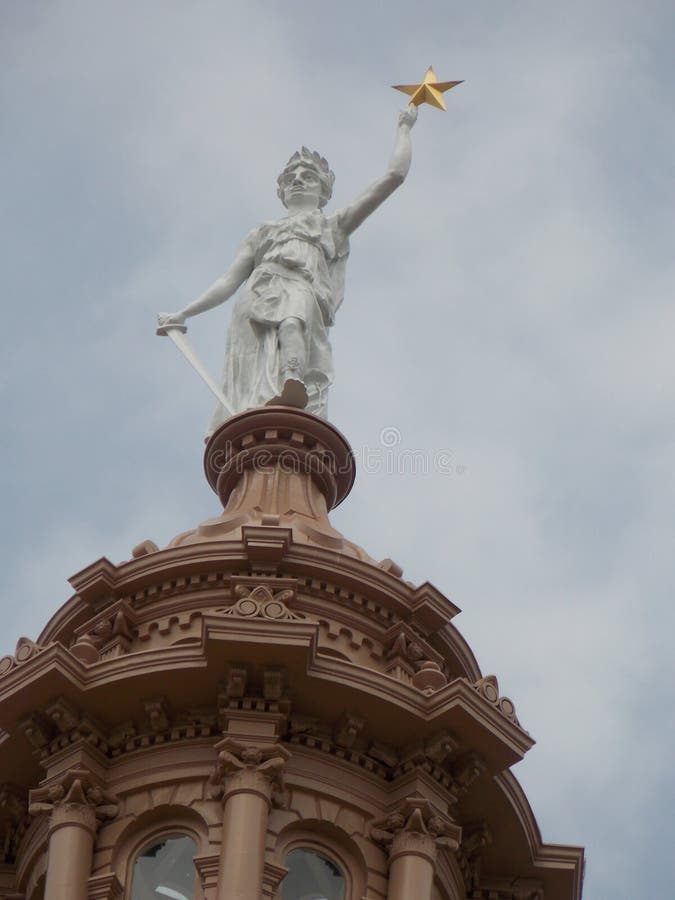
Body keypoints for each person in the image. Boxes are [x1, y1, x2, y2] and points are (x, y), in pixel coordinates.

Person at [158, 104, 418, 434]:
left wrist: (404, 128)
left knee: (294, 321)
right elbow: (228, 281)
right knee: (255, 369)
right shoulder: (261, 234)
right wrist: (185, 312)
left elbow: (392, 178)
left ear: (323, 191)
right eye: (290, 178)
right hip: (256, 296)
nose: (297, 181)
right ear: (281, 191)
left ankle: (292, 380)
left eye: (308, 177)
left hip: (299, 287)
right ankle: (264, 405)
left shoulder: (332, 225)